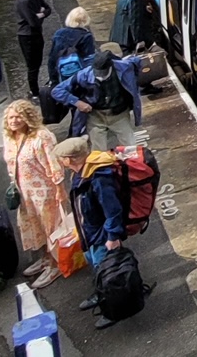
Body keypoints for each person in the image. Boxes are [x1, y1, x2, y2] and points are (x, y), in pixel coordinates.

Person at [54, 136, 155, 328]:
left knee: (108, 269)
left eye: (61, 158)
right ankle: (101, 293)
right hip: (90, 232)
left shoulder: (99, 177)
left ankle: (114, 307)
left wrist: (112, 236)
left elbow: (113, 209)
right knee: (97, 265)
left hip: (101, 234)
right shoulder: (82, 172)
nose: (60, 162)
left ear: (69, 159)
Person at [1, 100, 72, 288]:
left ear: (28, 117)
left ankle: (56, 264)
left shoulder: (42, 136)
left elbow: (53, 162)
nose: (14, 121)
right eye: (10, 117)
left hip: (45, 191)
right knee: (34, 226)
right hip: (24, 192)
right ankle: (46, 259)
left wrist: (60, 188)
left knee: (51, 227)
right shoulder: (9, 137)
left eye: (18, 116)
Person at [53, 50, 147, 151]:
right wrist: (77, 102)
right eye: (97, 72)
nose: (99, 75)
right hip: (96, 116)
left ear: (110, 66)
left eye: (102, 72)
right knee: (98, 152)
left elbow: (138, 61)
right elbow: (57, 91)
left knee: (130, 147)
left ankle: (131, 166)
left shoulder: (125, 67)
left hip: (120, 114)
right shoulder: (84, 75)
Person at [110, 0, 164, 95]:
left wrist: (144, 9)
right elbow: (135, 22)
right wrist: (139, 40)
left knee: (130, 62)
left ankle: (140, 85)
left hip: (121, 34)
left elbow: (128, 12)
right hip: (128, 37)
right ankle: (142, 86)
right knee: (136, 62)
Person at [14, 0, 54, 98]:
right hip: (27, 37)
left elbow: (48, 9)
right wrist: (40, 14)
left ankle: (35, 90)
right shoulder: (23, 1)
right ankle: (34, 92)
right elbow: (33, 22)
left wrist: (39, 14)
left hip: (36, 34)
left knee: (37, 63)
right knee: (32, 66)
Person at [50, 7, 98, 87]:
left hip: (61, 72)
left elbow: (52, 57)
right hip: (78, 75)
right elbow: (89, 59)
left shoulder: (59, 33)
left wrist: (53, 79)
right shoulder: (86, 36)